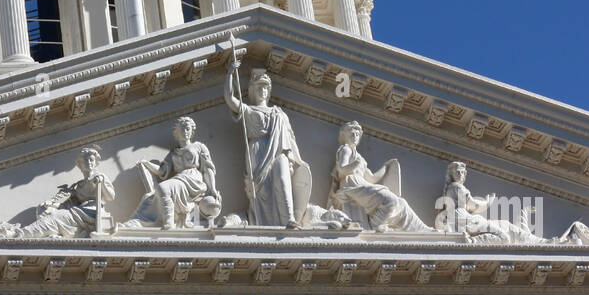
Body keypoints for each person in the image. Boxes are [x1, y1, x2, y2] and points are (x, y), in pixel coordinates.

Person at [225, 55, 310, 228]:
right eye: (258, 87)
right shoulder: (249, 110)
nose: (262, 90)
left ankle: (288, 219)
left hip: (279, 151)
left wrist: (295, 161)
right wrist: (230, 74)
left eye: (265, 87)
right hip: (257, 149)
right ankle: (263, 223)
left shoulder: (279, 113)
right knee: (262, 191)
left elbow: (290, 138)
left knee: (283, 179)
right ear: (251, 90)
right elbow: (229, 98)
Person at [329, 121, 431, 233]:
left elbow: (372, 178)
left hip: (361, 184)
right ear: (345, 135)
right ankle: (375, 224)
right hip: (352, 185)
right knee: (390, 200)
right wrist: (355, 164)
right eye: (352, 134)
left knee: (401, 202)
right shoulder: (346, 149)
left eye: (357, 134)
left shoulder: (360, 158)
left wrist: (386, 167)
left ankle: (423, 229)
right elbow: (341, 169)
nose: (355, 137)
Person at [123, 116, 220, 229]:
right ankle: (141, 221)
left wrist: (212, 188)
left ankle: (168, 223)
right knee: (150, 197)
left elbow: (208, 168)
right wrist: (146, 164)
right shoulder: (173, 153)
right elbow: (161, 171)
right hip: (180, 179)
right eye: (182, 129)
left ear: (192, 130)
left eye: (188, 128)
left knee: (163, 188)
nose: (186, 132)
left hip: (193, 180)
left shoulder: (199, 147)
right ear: (177, 133)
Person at [16, 146, 115, 237]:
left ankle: (20, 234)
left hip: (91, 213)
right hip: (79, 212)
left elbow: (110, 196)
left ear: (95, 162)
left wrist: (101, 184)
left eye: (91, 160)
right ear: (80, 164)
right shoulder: (78, 185)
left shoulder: (100, 177)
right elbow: (68, 202)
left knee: (54, 217)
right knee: (43, 210)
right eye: (85, 160)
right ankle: (45, 233)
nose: (89, 162)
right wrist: (52, 204)